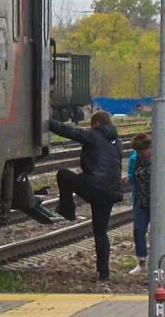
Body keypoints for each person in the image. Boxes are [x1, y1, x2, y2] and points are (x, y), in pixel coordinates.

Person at [49, 110, 123, 281]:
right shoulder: (117, 142)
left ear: (96, 124)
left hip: (93, 186)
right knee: (101, 232)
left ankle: (67, 209)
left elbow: (69, 132)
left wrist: (48, 123)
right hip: (110, 192)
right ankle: (104, 272)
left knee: (64, 175)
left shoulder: (93, 135)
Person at [127, 133, 152, 275]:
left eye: (142, 151)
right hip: (141, 201)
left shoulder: (164, 157)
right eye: (138, 151)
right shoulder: (135, 159)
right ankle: (142, 262)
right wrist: (128, 178)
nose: (141, 154)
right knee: (138, 230)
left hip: (158, 202)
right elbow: (132, 175)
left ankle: (163, 259)